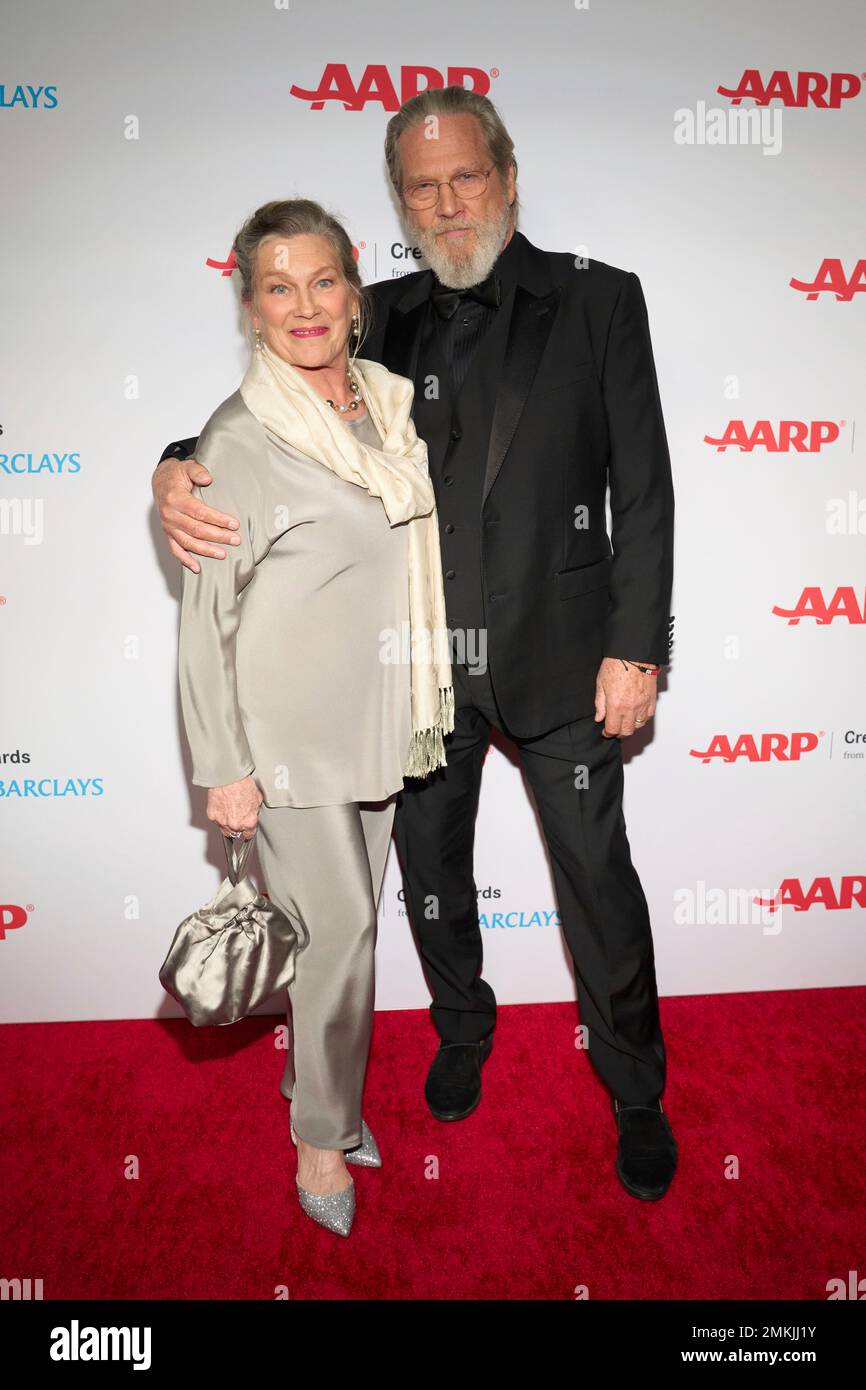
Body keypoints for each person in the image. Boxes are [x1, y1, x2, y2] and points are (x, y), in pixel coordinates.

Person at [155, 87, 678, 1202]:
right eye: (420, 186)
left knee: (594, 875)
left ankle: (635, 1087)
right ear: (396, 201)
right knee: (432, 880)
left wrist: (636, 646)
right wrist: (171, 461)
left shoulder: (599, 302)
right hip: (416, 678)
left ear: (506, 174)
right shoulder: (372, 309)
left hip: (565, 658)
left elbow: (642, 487)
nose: (445, 204)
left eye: (465, 177)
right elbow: (271, 410)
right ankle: (460, 1030)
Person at [174, 198, 453, 1236]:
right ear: (249, 308)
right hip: (282, 735)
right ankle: (318, 1136)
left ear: (353, 294)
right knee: (338, 931)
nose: (303, 306)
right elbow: (206, 619)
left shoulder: (382, 407)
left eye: (322, 281)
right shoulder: (238, 438)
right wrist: (223, 765)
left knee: (345, 933)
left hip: (377, 718)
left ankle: (316, 1096)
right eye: (277, 287)